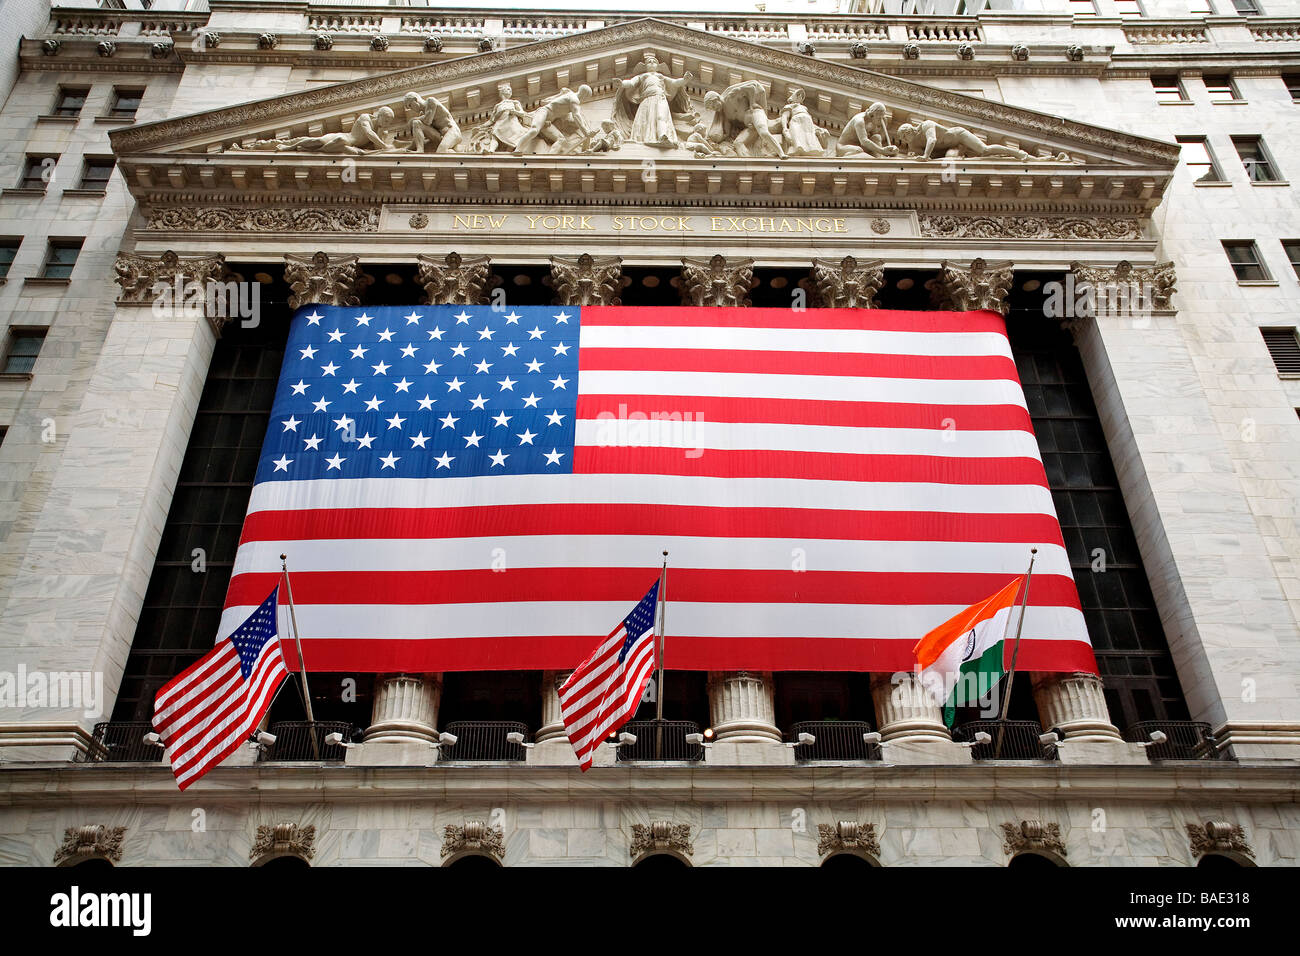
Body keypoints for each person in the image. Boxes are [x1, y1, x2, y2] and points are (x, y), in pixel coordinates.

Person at [613, 52, 694, 148]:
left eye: (654, 61)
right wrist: (622, 84)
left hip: (660, 98)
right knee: (644, 120)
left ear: (658, 66)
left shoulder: (660, 76)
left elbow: (674, 83)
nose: (651, 62)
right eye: (648, 62)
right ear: (645, 66)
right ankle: (645, 138)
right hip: (647, 100)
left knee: (661, 116)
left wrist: (685, 80)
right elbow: (631, 83)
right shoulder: (643, 76)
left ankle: (663, 137)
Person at [703, 81, 784, 159]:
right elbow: (726, 133)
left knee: (763, 132)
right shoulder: (725, 114)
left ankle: (781, 154)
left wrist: (752, 103)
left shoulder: (731, 95)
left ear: (717, 98)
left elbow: (751, 88)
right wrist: (711, 142)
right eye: (712, 109)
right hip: (750, 127)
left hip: (754, 114)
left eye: (713, 106)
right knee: (738, 143)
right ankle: (749, 166)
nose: (715, 109)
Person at [896, 119, 1030, 162]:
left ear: (910, 131)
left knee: (984, 150)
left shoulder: (926, 125)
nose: (906, 142)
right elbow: (912, 157)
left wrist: (925, 156)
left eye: (905, 138)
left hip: (959, 137)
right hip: (949, 150)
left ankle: (1017, 153)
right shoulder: (913, 143)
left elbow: (932, 140)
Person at [515, 85, 594, 155]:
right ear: (584, 95)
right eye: (586, 97)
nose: (584, 99)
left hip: (548, 122)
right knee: (534, 130)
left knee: (561, 140)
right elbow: (576, 116)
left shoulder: (569, 95)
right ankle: (518, 149)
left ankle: (550, 158)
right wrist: (586, 132)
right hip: (543, 112)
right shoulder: (574, 99)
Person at [771, 88, 829, 157]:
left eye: (801, 96)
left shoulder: (804, 108)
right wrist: (785, 128)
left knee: (809, 136)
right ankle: (798, 149)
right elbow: (785, 117)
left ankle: (811, 149)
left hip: (807, 123)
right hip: (796, 121)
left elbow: (811, 124)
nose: (800, 97)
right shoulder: (790, 106)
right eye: (798, 95)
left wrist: (819, 129)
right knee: (797, 135)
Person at [835, 103, 899, 158]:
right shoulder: (859, 121)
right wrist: (882, 151)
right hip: (844, 147)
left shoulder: (874, 121)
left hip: (862, 147)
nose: (881, 120)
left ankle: (878, 161)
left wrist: (891, 150)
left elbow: (879, 139)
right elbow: (864, 141)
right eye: (879, 118)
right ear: (872, 115)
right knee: (858, 150)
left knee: (877, 137)